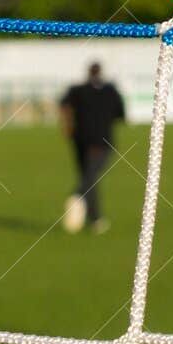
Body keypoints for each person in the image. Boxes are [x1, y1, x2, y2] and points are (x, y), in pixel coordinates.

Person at [59, 61, 125, 235]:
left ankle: (96, 219)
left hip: (80, 140)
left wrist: (67, 126)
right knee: (90, 179)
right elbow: (120, 115)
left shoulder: (77, 90)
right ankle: (77, 195)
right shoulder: (110, 90)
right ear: (100, 72)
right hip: (101, 142)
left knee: (89, 178)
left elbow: (63, 105)